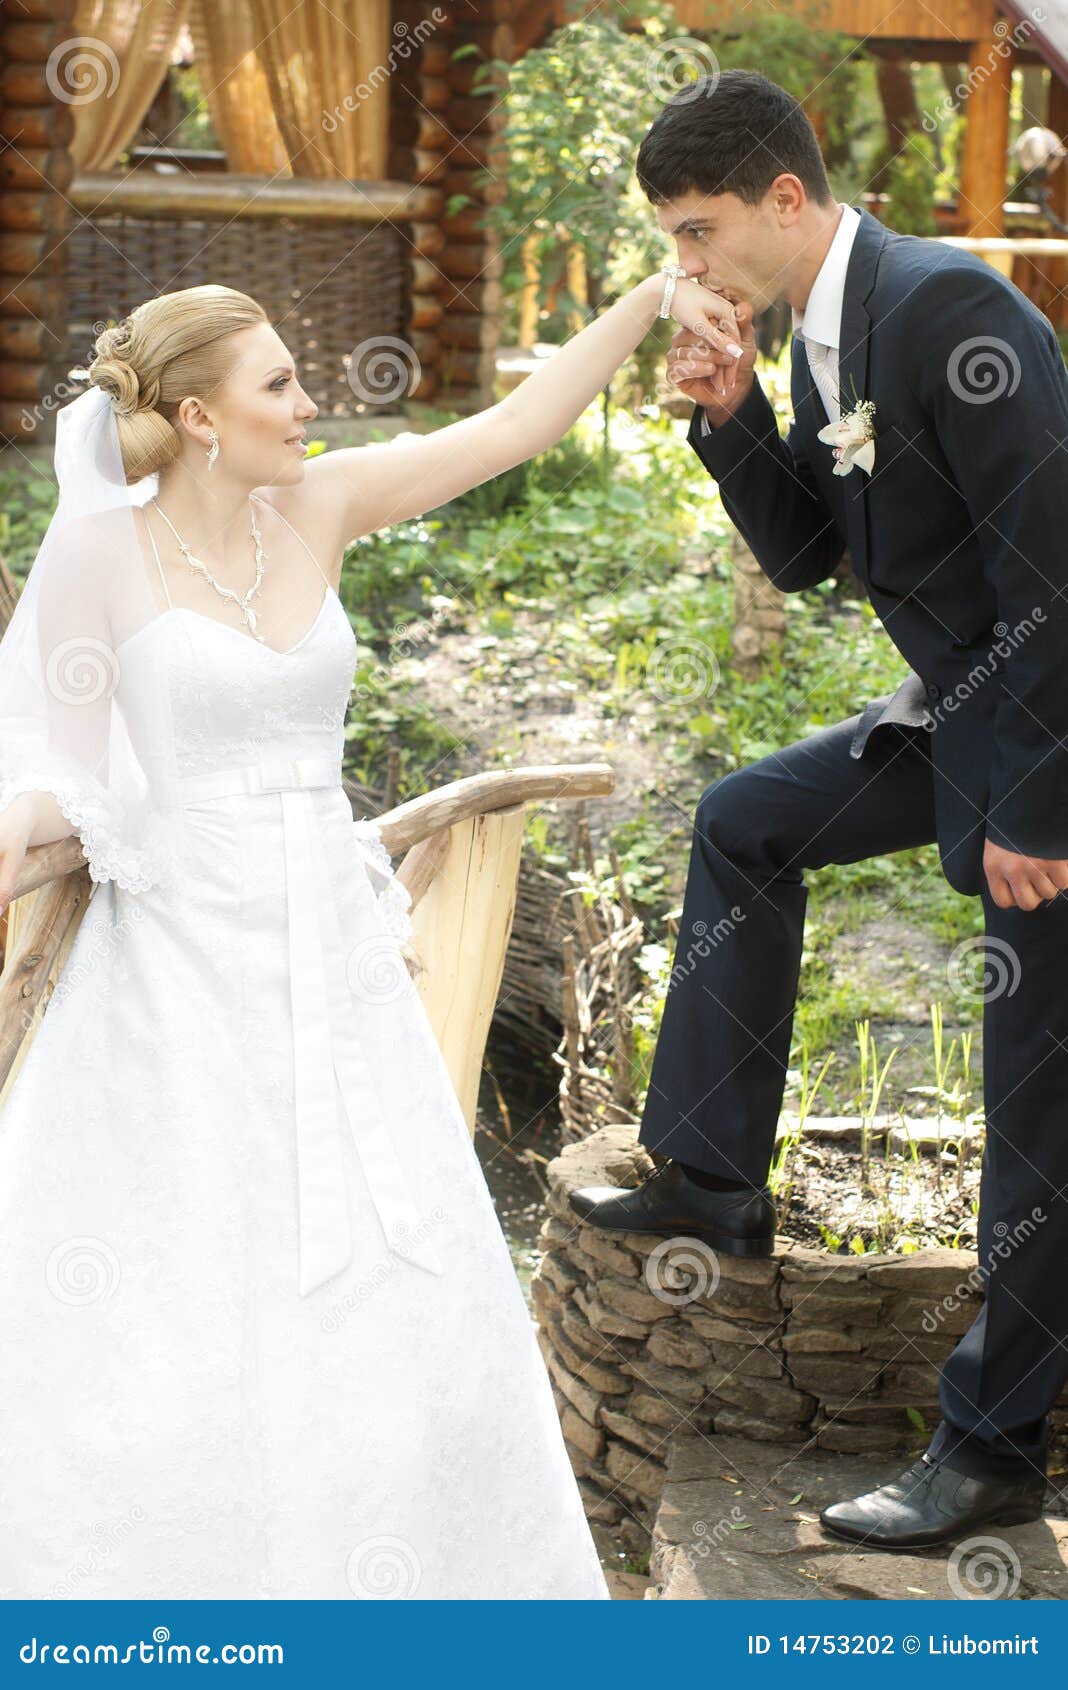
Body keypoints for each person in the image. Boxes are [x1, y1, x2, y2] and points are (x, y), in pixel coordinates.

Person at [0, 268, 734, 1599]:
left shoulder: (319, 505)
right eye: (277, 381)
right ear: (197, 416)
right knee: (182, 1292)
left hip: (330, 960)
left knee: (386, 1283)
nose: (307, 400)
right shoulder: (100, 554)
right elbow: (57, 770)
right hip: (173, 967)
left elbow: (512, 430)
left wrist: (652, 296)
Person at [571, 69, 1068, 1551]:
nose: (689, 270)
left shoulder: (952, 312)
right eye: (673, 239)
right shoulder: (822, 335)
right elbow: (810, 558)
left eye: (700, 230)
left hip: (1043, 730)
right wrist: (728, 419)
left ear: (787, 199)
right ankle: (716, 1181)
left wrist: (1039, 808)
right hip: (964, 710)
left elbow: (1056, 571)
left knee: (1036, 1110)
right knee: (746, 819)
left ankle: (987, 1452)